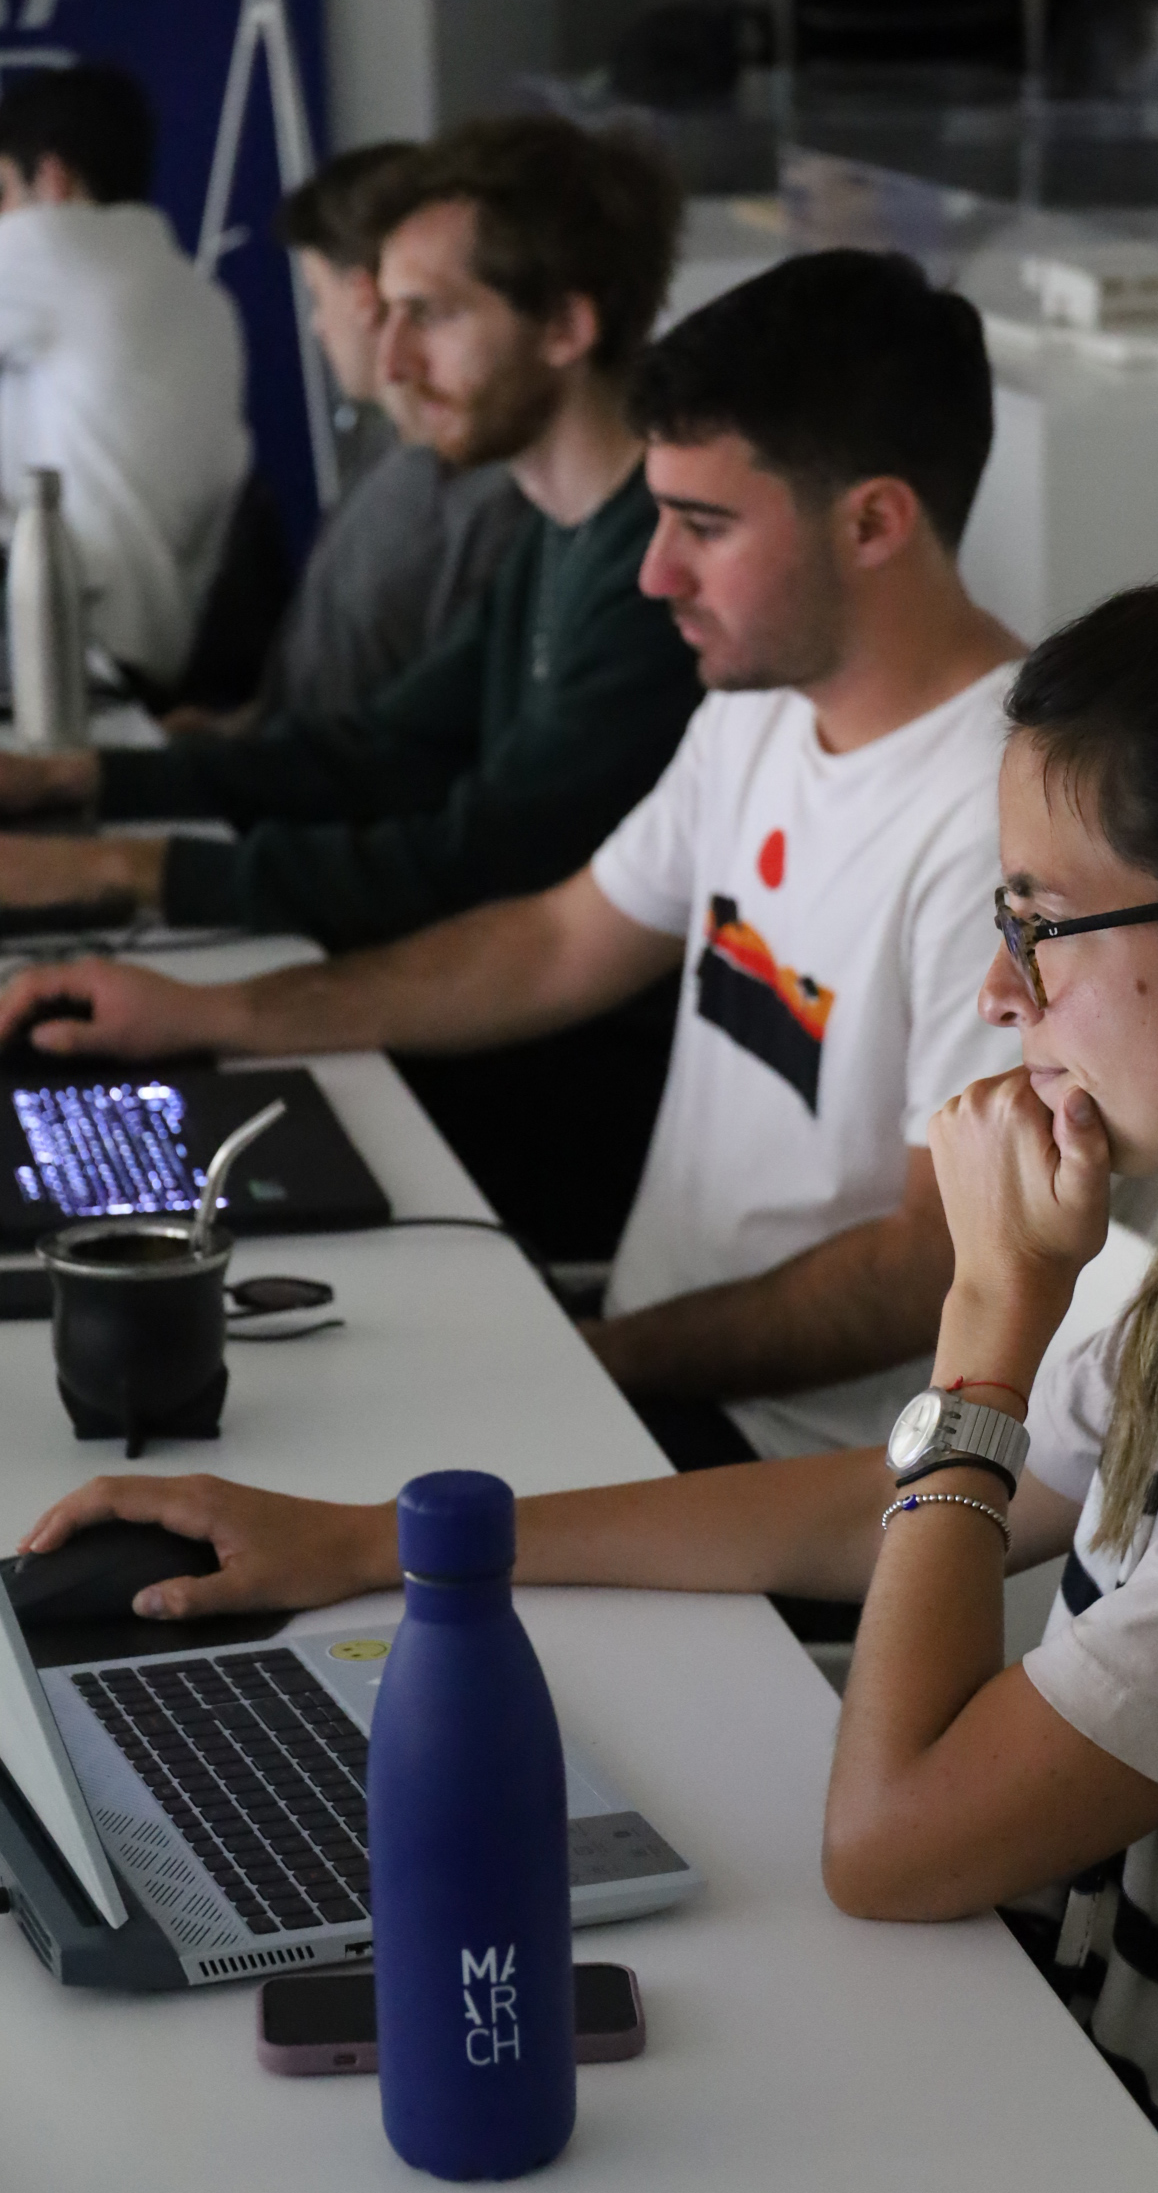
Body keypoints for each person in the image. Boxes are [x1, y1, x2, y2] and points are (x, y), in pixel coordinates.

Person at [21, 467, 1158, 2193]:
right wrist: (385, 1543)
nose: (1003, 995)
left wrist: (987, 1317)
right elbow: (898, 1497)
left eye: (1045, 926)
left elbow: (894, 1838)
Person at [0, 248, 1023, 1471]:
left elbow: (931, 1265)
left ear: (873, 523)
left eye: (703, 527)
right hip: (644, 1367)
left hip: (800, 1460)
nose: (653, 574)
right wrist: (210, 1013)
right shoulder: (758, 707)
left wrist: (587, 1356)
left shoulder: (1009, 819)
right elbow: (550, 944)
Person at [0, 113, 697, 953]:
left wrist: (125, 870)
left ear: (564, 328)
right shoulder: (561, 533)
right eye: (388, 315)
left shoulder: (660, 574)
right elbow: (383, 750)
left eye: (431, 316)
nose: (392, 361)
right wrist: (74, 779)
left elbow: (483, 856)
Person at [167, 144, 531, 742]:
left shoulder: (471, 498)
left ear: (362, 296)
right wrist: (232, 735)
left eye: (318, 294)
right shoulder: (387, 455)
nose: (317, 324)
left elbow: (398, 740)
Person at [0, 63, 249, 686]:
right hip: (151, 659)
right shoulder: (205, 300)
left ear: (53, 180)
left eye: (2, 193)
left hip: (64, 661)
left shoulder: (61, 245)